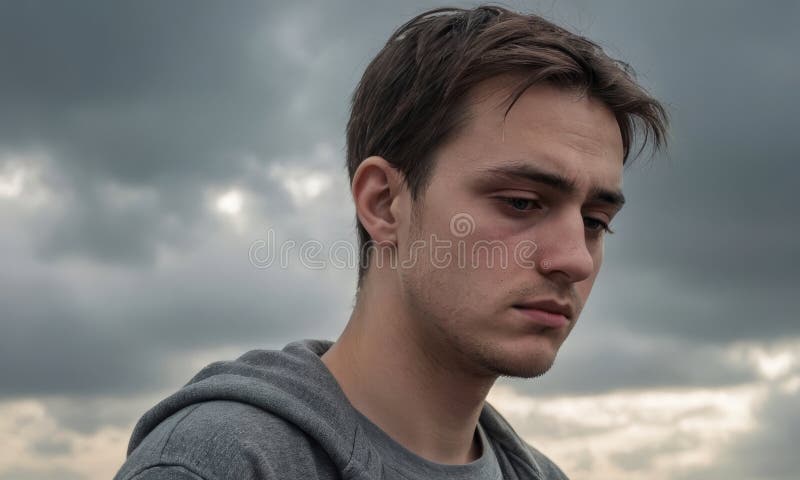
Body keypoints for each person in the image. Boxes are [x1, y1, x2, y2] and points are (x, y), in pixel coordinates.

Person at [114, 5, 667, 480]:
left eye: (595, 221)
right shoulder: (219, 464)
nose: (574, 259)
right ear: (383, 204)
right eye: (522, 202)